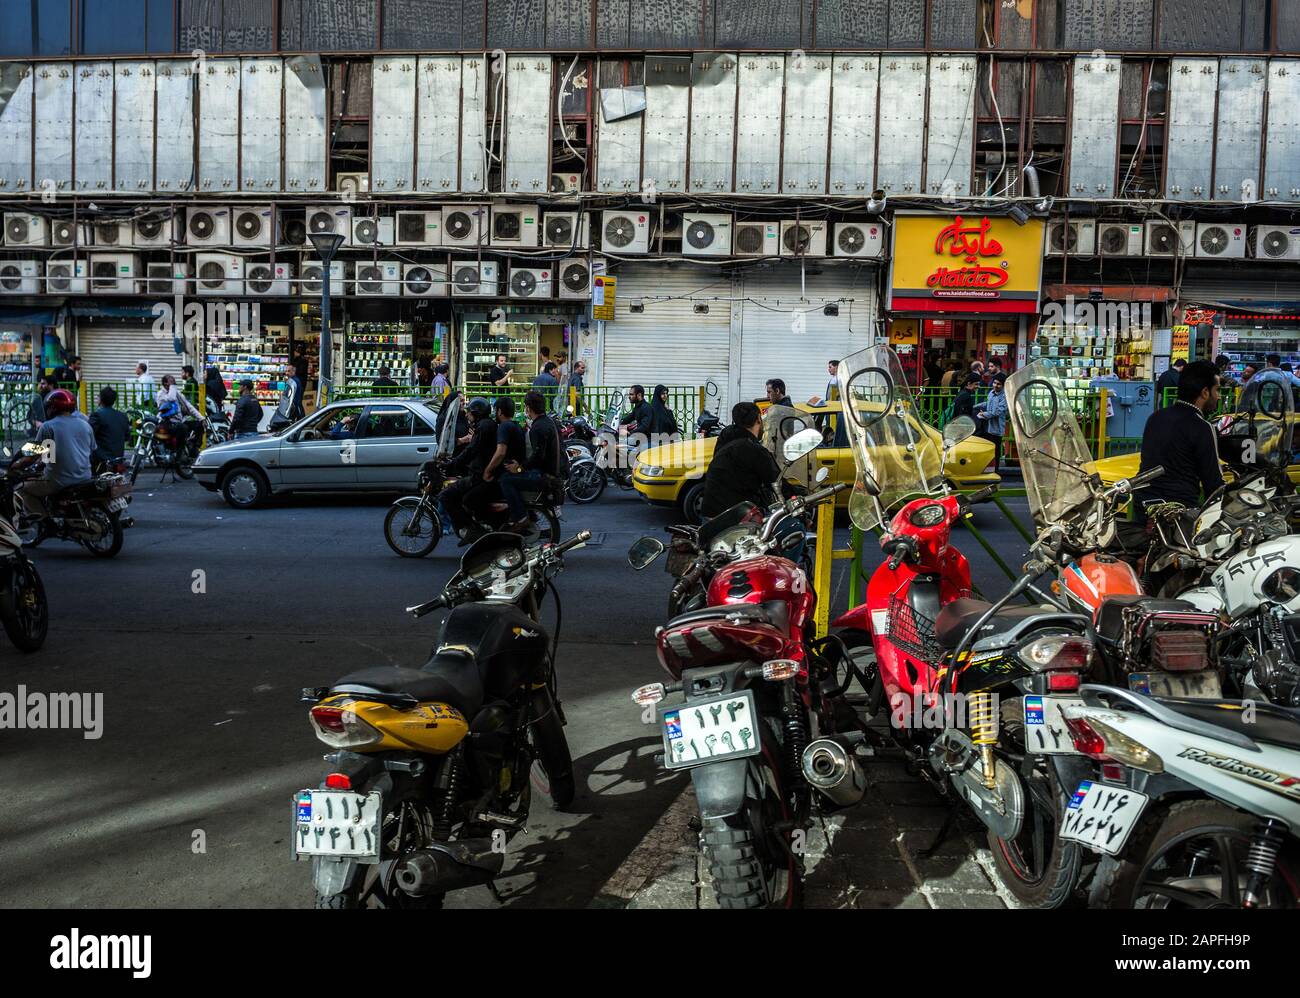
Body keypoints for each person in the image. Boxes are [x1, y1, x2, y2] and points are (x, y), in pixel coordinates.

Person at [1137, 359, 1224, 511]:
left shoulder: (1156, 417)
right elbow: (1213, 482)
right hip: (1177, 510)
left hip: (1143, 503)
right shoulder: (1202, 427)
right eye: (1217, 390)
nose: (1218, 396)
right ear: (1205, 392)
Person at [17, 389, 93, 520]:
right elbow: (87, 450)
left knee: (21, 489)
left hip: (59, 480)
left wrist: (18, 464)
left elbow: (33, 455)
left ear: (52, 408)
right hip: (85, 476)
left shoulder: (48, 426)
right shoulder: (85, 425)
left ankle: (45, 521)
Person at [700, 402, 781, 518]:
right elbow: (776, 482)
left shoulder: (726, 436)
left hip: (710, 513)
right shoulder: (755, 450)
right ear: (758, 419)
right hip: (737, 518)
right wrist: (799, 494)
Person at [499, 391, 566, 532]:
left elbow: (538, 456)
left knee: (505, 479)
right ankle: (531, 514)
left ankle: (521, 517)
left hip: (545, 476)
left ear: (528, 408)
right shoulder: (550, 422)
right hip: (557, 473)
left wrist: (520, 468)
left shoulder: (538, 427)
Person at [441, 397, 499, 542]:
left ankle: (468, 528)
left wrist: (453, 463)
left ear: (477, 413)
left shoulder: (484, 427)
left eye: (469, 412)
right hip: (479, 471)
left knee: (446, 496)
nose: (467, 415)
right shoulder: (485, 425)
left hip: (480, 475)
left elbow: (472, 450)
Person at [156, 374, 200, 460]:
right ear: (165, 383)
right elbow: (171, 398)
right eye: (171, 381)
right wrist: (172, 387)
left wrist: (201, 418)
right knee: (182, 428)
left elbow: (188, 405)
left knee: (198, 425)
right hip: (167, 422)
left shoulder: (177, 393)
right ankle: (178, 454)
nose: (174, 383)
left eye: (173, 381)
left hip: (180, 421)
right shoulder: (160, 394)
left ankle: (193, 449)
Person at [88, 385, 131, 469]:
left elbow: (88, 434)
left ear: (100, 399)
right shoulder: (123, 416)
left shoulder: (97, 415)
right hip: (118, 459)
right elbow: (127, 437)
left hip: (100, 460)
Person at [972, 373, 1009, 471]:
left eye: (998, 384)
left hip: (996, 429)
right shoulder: (991, 393)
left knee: (996, 452)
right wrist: (975, 406)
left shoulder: (1004, 397)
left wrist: (983, 414)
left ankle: (995, 471)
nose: (995, 385)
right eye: (995, 383)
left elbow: (997, 412)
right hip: (988, 427)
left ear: (1003, 385)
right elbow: (987, 404)